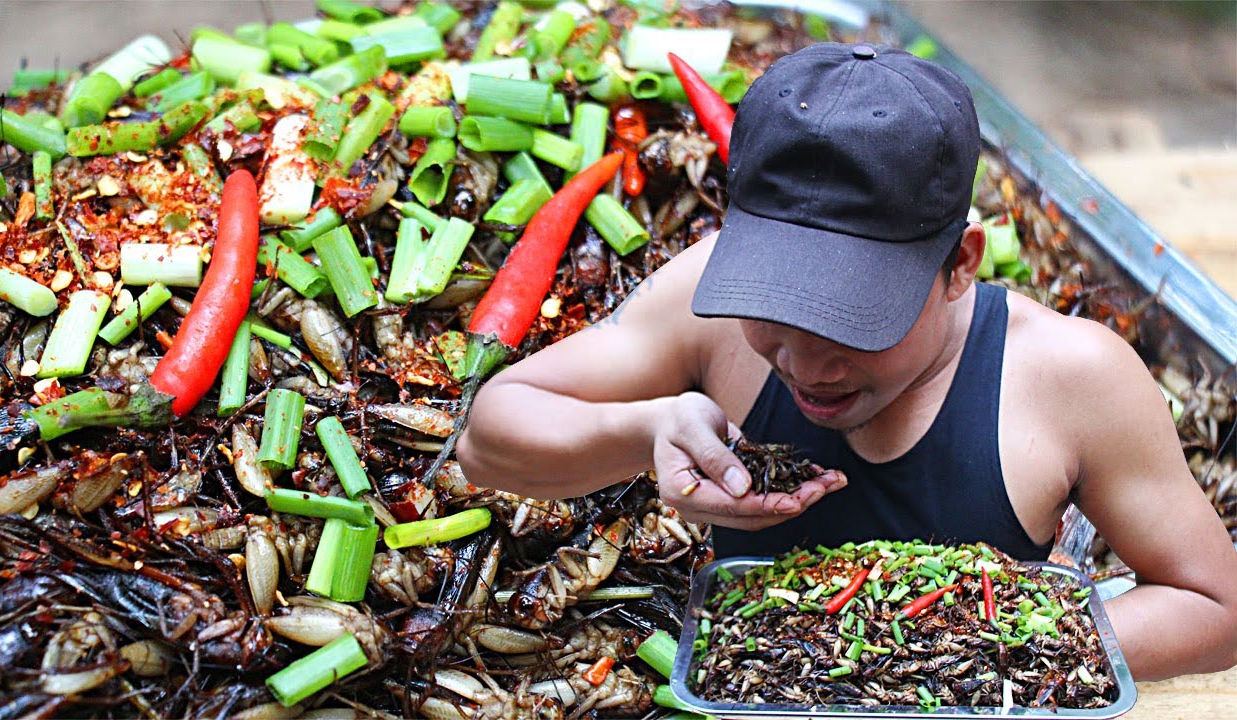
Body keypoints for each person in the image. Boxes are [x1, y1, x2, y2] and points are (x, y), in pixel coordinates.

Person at [455, 43, 1237, 680]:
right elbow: (487, 436)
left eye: (853, 321)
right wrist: (647, 430)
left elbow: (1217, 607)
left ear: (960, 264)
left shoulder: (1071, 377)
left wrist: (958, 645)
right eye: (772, 310)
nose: (802, 362)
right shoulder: (705, 306)